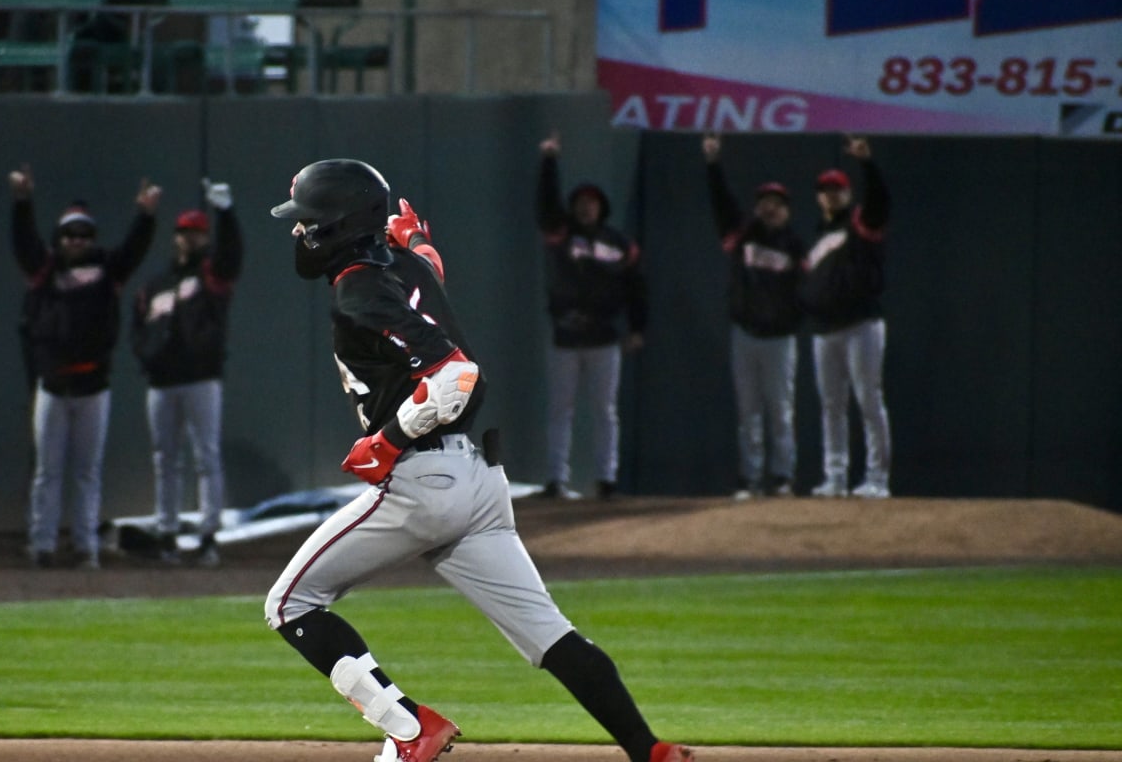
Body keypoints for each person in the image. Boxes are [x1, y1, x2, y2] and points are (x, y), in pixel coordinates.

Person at [264, 159, 693, 762]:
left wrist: (384, 442)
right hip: (482, 482)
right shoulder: (401, 266)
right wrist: (413, 239)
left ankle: (410, 729)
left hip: (425, 478)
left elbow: (457, 375)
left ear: (340, 225)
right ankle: (648, 749)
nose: (300, 233)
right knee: (551, 634)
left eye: (309, 221)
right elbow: (428, 273)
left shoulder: (357, 289)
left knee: (290, 605)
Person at [10, 166, 160, 569]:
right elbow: (24, 247)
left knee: (86, 473)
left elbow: (133, 250)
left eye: (83, 235)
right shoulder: (46, 270)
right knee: (47, 471)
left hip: (94, 383)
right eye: (70, 235)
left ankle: (84, 547)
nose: (77, 241)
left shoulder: (107, 269)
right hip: (53, 384)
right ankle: (41, 544)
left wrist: (146, 216)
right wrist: (22, 203)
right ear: (60, 238)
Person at [131, 179, 242, 567]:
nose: (189, 240)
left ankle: (209, 535)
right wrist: (148, 358)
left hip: (201, 378)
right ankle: (167, 533)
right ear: (175, 236)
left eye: (196, 233)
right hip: (162, 381)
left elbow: (231, 258)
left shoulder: (210, 275)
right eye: (184, 233)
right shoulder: (157, 284)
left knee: (206, 456)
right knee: (165, 459)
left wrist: (225, 213)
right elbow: (138, 327)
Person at [535, 133, 648, 501]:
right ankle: (556, 479)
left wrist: (637, 326)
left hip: (604, 337)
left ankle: (606, 478)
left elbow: (636, 286)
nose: (586, 208)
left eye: (592, 203)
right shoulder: (562, 234)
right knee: (560, 410)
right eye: (580, 203)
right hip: (567, 334)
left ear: (602, 208)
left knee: (604, 411)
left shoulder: (618, 243)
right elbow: (546, 206)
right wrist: (549, 161)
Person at [701, 134, 806, 500]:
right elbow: (722, 206)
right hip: (746, 333)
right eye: (765, 202)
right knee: (749, 412)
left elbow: (804, 292)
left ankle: (782, 476)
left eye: (777, 203)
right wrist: (713, 164)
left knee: (780, 411)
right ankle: (751, 477)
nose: (770, 208)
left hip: (780, 338)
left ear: (787, 210)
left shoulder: (795, 246)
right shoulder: (744, 236)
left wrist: (792, 320)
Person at [801, 135, 892, 499]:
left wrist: (867, 163)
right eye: (825, 191)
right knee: (831, 406)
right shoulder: (817, 238)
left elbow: (880, 202)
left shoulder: (859, 224)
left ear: (848, 195)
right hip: (825, 331)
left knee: (868, 400)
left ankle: (877, 479)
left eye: (837, 190)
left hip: (861, 326)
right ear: (817, 197)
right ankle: (836, 477)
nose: (830, 196)